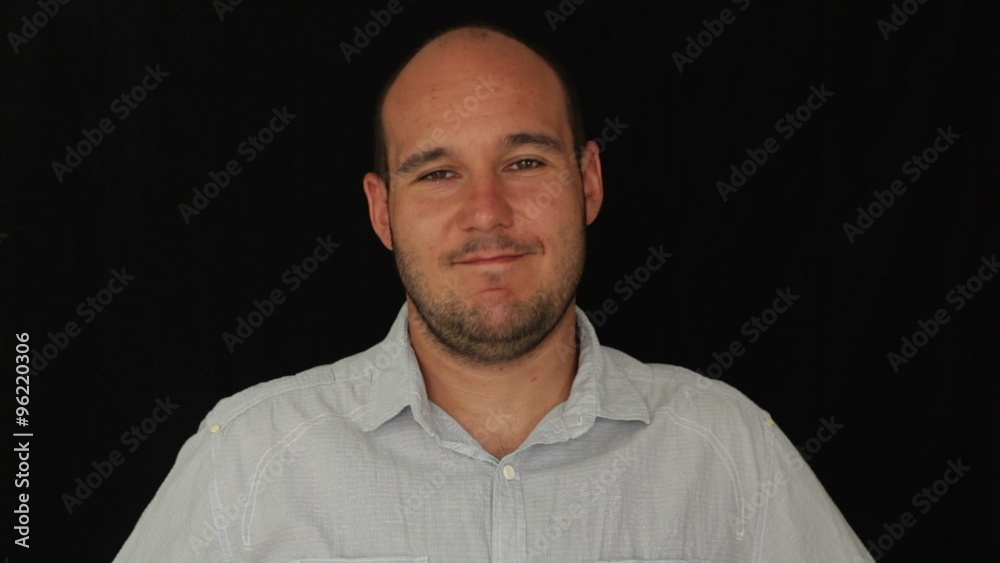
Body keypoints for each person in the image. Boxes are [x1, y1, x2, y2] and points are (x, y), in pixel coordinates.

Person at [114, 23, 875, 562]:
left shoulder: (728, 452)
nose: (487, 213)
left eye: (525, 163)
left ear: (589, 181)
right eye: (438, 173)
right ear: (382, 211)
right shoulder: (248, 460)